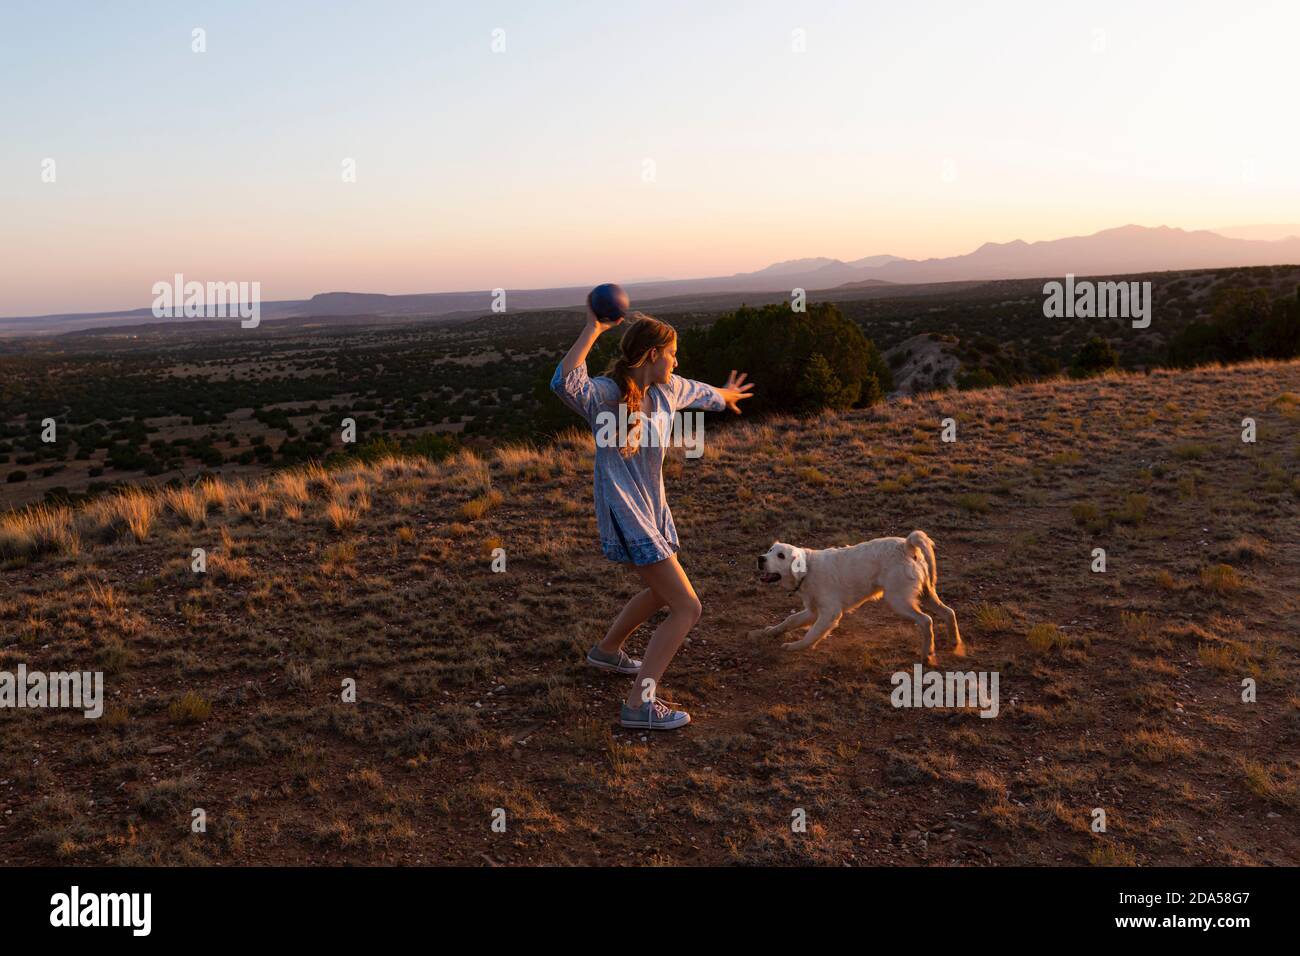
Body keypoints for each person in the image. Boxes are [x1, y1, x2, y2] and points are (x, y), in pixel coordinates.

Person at [551, 305, 753, 729]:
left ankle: (606, 652)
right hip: (626, 515)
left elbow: (705, 393)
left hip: (652, 511)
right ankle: (639, 705)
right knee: (687, 607)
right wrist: (593, 328)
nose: (678, 361)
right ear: (653, 354)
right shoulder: (605, 395)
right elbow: (564, 382)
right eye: (673, 353)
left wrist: (728, 395)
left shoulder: (670, 390)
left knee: (663, 594)